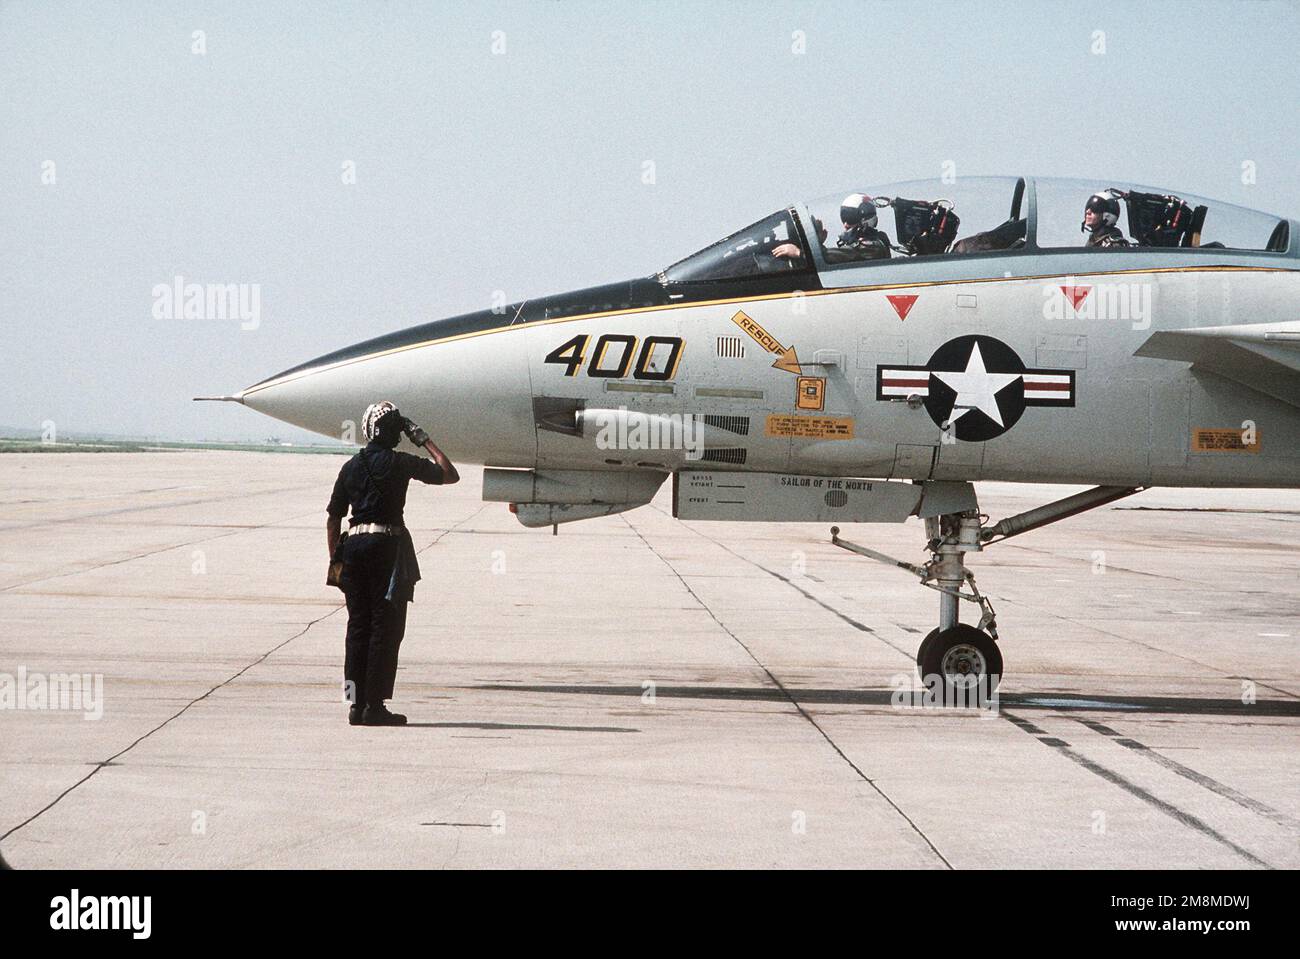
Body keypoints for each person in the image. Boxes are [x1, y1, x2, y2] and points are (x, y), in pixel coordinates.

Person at [326, 401, 459, 726]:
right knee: (385, 629)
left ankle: (354, 704)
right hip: (387, 548)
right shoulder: (400, 462)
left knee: (357, 627)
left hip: (353, 549)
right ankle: (375, 706)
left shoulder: (351, 467)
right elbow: (448, 473)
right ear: (392, 432)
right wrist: (422, 438)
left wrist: (335, 560)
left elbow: (334, 517)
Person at [825, 193, 892, 262]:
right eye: (844, 217)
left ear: (865, 220)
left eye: (850, 218)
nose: (845, 225)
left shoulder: (871, 247)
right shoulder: (855, 244)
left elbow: (828, 257)